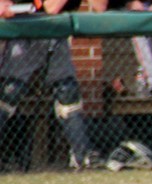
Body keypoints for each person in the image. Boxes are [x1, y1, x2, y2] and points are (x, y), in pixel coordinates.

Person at [0, 0, 105, 169]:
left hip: (53, 30)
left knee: (67, 92)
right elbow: (51, 6)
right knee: (10, 92)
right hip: (21, 29)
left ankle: (82, 156)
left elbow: (100, 8)